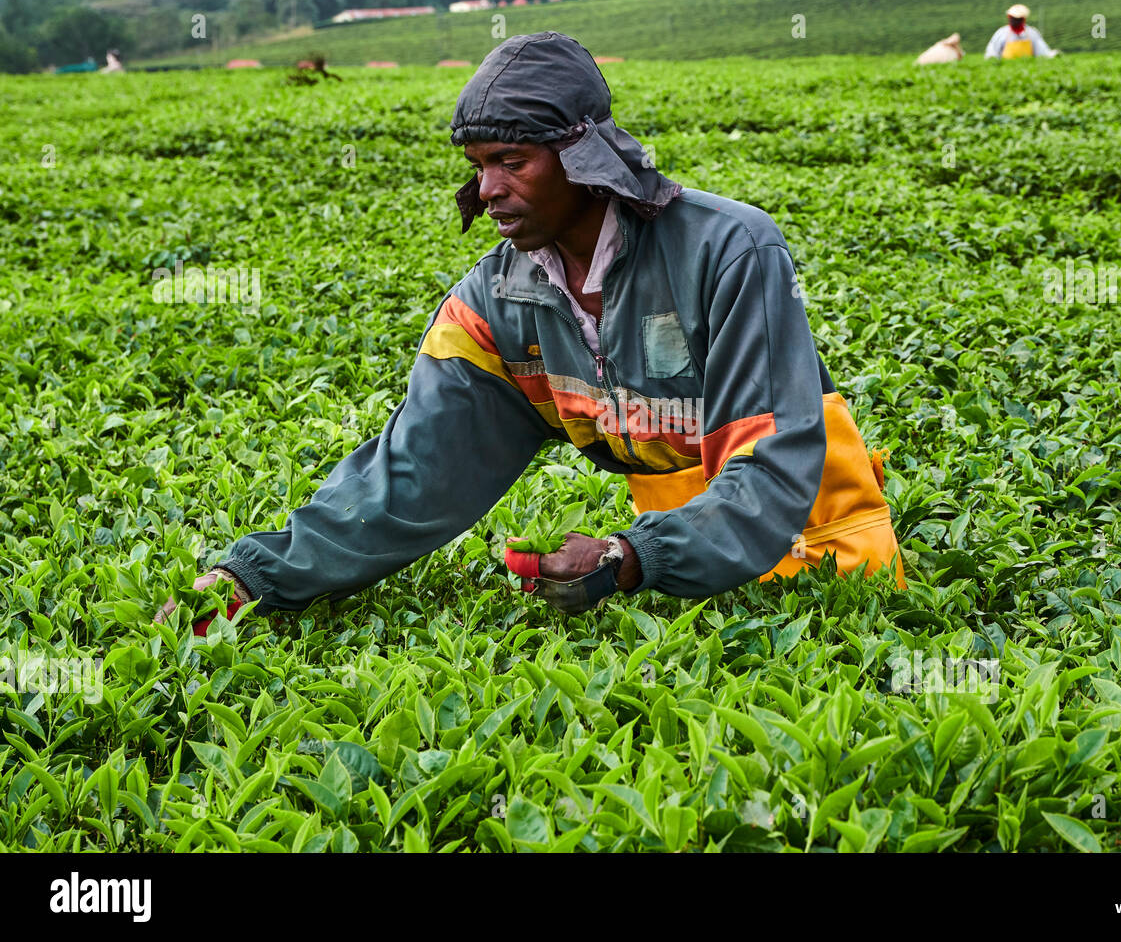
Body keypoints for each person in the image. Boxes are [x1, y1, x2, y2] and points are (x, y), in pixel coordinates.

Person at [155, 32, 904, 630]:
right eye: (479, 166)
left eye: (511, 161)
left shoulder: (727, 251)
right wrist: (251, 575)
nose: (488, 191)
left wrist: (631, 554)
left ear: (581, 158)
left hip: (823, 561)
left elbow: (769, 465)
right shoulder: (495, 304)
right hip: (685, 589)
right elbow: (412, 476)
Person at [984, 4, 1057, 60]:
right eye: (1013, 18)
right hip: (1006, 70)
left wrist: (1052, 55)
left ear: (1023, 19)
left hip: (1029, 70)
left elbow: (1042, 51)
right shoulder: (1001, 33)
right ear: (1009, 17)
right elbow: (992, 52)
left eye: (1018, 19)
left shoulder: (1032, 33)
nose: (1015, 21)